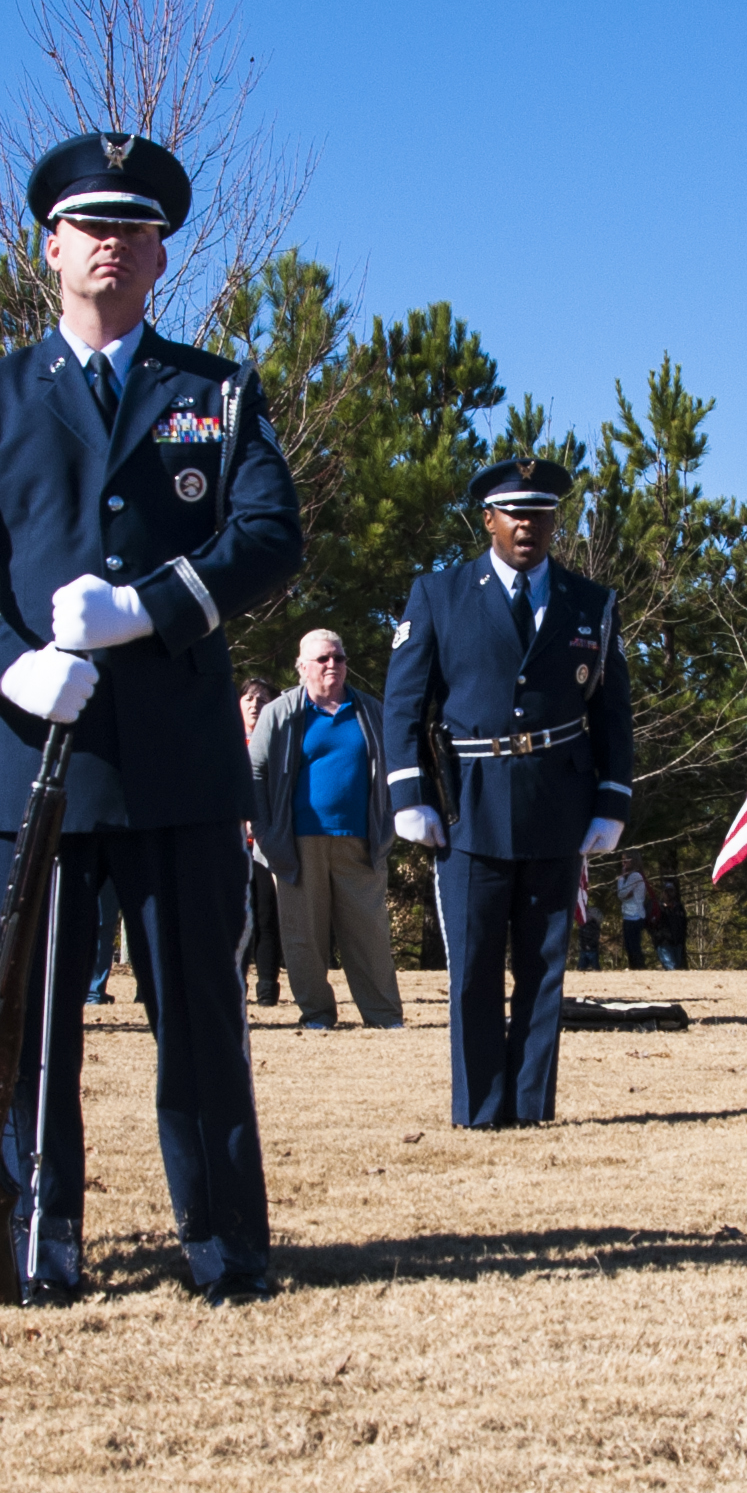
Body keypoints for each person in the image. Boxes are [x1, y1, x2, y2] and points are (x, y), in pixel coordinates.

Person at [0, 130, 302, 1306]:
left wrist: (146, 608)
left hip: (177, 762)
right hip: (42, 762)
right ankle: (36, 1240)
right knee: (30, 1033)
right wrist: (6, 668)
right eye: (89, 225)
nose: (110, 244)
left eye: (134, 226)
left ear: (162, 251)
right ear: (51, 246)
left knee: (204, 1032)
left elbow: (270, 536)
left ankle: (225, 1250)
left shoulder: (215, 393)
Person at [383, 457, 635, 1128]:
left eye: (541, 512)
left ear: (557, 519)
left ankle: (529, 1104)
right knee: (471, 966)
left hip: (559, 801)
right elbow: (404, 700)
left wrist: (611, 801)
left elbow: (612, 711)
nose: (528, 525)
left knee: (544, 965)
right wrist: (408, 793)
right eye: (514, 513)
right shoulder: (437, 594)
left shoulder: (592, 602)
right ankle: (478, 1105)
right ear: (487, 519)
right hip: (468, 803)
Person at [248, 630, 404, 1030]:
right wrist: (264, 831)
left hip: (361, 841)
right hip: (296, 845)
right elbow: (254, 772)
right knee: (304, 938)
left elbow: (393, 769)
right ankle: (317, 1015)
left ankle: (384, 1017)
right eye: (322, 659)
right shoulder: (280, 713)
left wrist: (390, 825)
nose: (332, 664)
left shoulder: (370, 710)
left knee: (369, 935)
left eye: (339, 657)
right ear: (302, 667)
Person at [237, 679, 285, 1007]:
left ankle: (267, 988)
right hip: (232, 844)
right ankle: (234, 984)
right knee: (236, 917)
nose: (254, 704)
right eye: (249, 698)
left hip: (266, 843)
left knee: (267, 916)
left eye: (262, 699)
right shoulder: (225, 742)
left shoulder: (279, 744)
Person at [616, 858, 652, 971]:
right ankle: (635, 968)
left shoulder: (635, 876)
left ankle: (639, 968)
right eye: (622, 861)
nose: (623, 864)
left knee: (633, 945)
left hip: (634, 915)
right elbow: (625, 894)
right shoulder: (632, 877)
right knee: (630, 945)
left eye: (626, 861)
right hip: (630, 915)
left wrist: (620, 879)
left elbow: (621, 894)